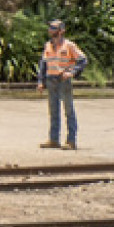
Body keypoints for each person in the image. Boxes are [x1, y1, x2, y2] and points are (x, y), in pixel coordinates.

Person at [38, 18, 87, 149]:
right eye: (50, 28)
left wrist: (72, 72)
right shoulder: (48, 45)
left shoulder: (69, 45)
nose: (50, 30)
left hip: (63, 80)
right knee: (53, 111)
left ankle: (71, 140)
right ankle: (54, 139)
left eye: (53, 28)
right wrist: (41, 81)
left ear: (61, 31)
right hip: (51, 80)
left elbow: (82, 60)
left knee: (68, 110)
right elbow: (43, 64)